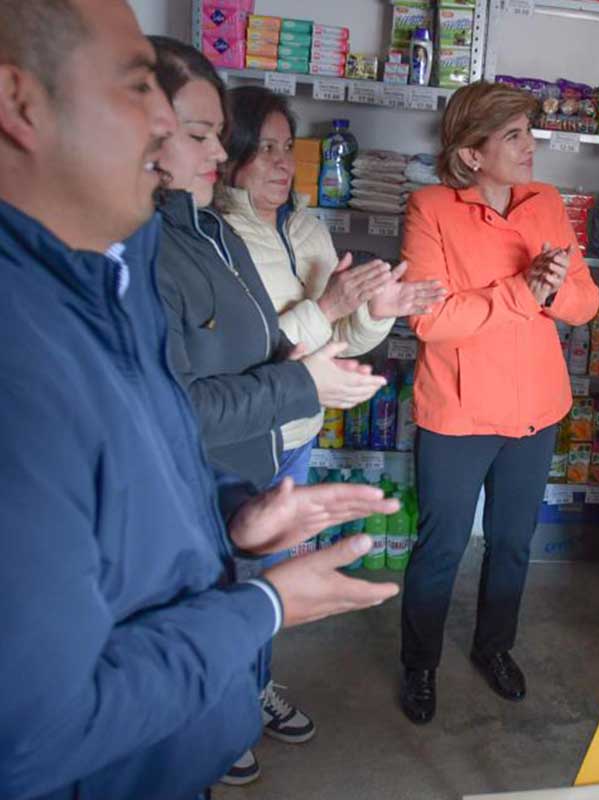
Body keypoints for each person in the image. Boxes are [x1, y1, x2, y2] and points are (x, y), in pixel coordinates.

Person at [0, 3, 400, 798]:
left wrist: (231, 524)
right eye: (139, 87)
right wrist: (264, 606)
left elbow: (148, 451)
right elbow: (33, 739)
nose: (167, 128)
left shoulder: (115, 266)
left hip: (169, 752)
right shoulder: (20, 341)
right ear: (20, 104)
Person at [148, 37, 398, 786]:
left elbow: (277, 345)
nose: (220, 156)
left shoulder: (224, 233)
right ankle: (224, 721)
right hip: (221, 467)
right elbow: (187, 402)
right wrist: (310, 363)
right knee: (227, 617)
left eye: (222, 139)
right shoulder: (161, 248)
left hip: (252, 466)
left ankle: (240, 704)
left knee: (256, 595)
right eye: (209, 138)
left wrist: (371, 314)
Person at [397, 81, 599, 725]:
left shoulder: (545, 204)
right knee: (442, 545)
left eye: (528, 132)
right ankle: (420, 664)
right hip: (458, 413)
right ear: (470, 153)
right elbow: (431, 320)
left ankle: (494, 648)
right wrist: (522, 291)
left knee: (513, 543)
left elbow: (586, 304)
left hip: (536, 408)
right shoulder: (430, 208)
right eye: (513, 135)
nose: (530, 146)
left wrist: (557, 288)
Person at [216, 86, 444, 481]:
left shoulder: (308, 229)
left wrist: (372, 313)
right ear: (230, 155)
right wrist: (328, 307)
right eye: (266, 148)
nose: (283, 163)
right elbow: (237, 360)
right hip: (246, 439)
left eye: (287, 147)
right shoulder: (216, 238)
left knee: (280, 545)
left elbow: (334, 342)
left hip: (302, 428)